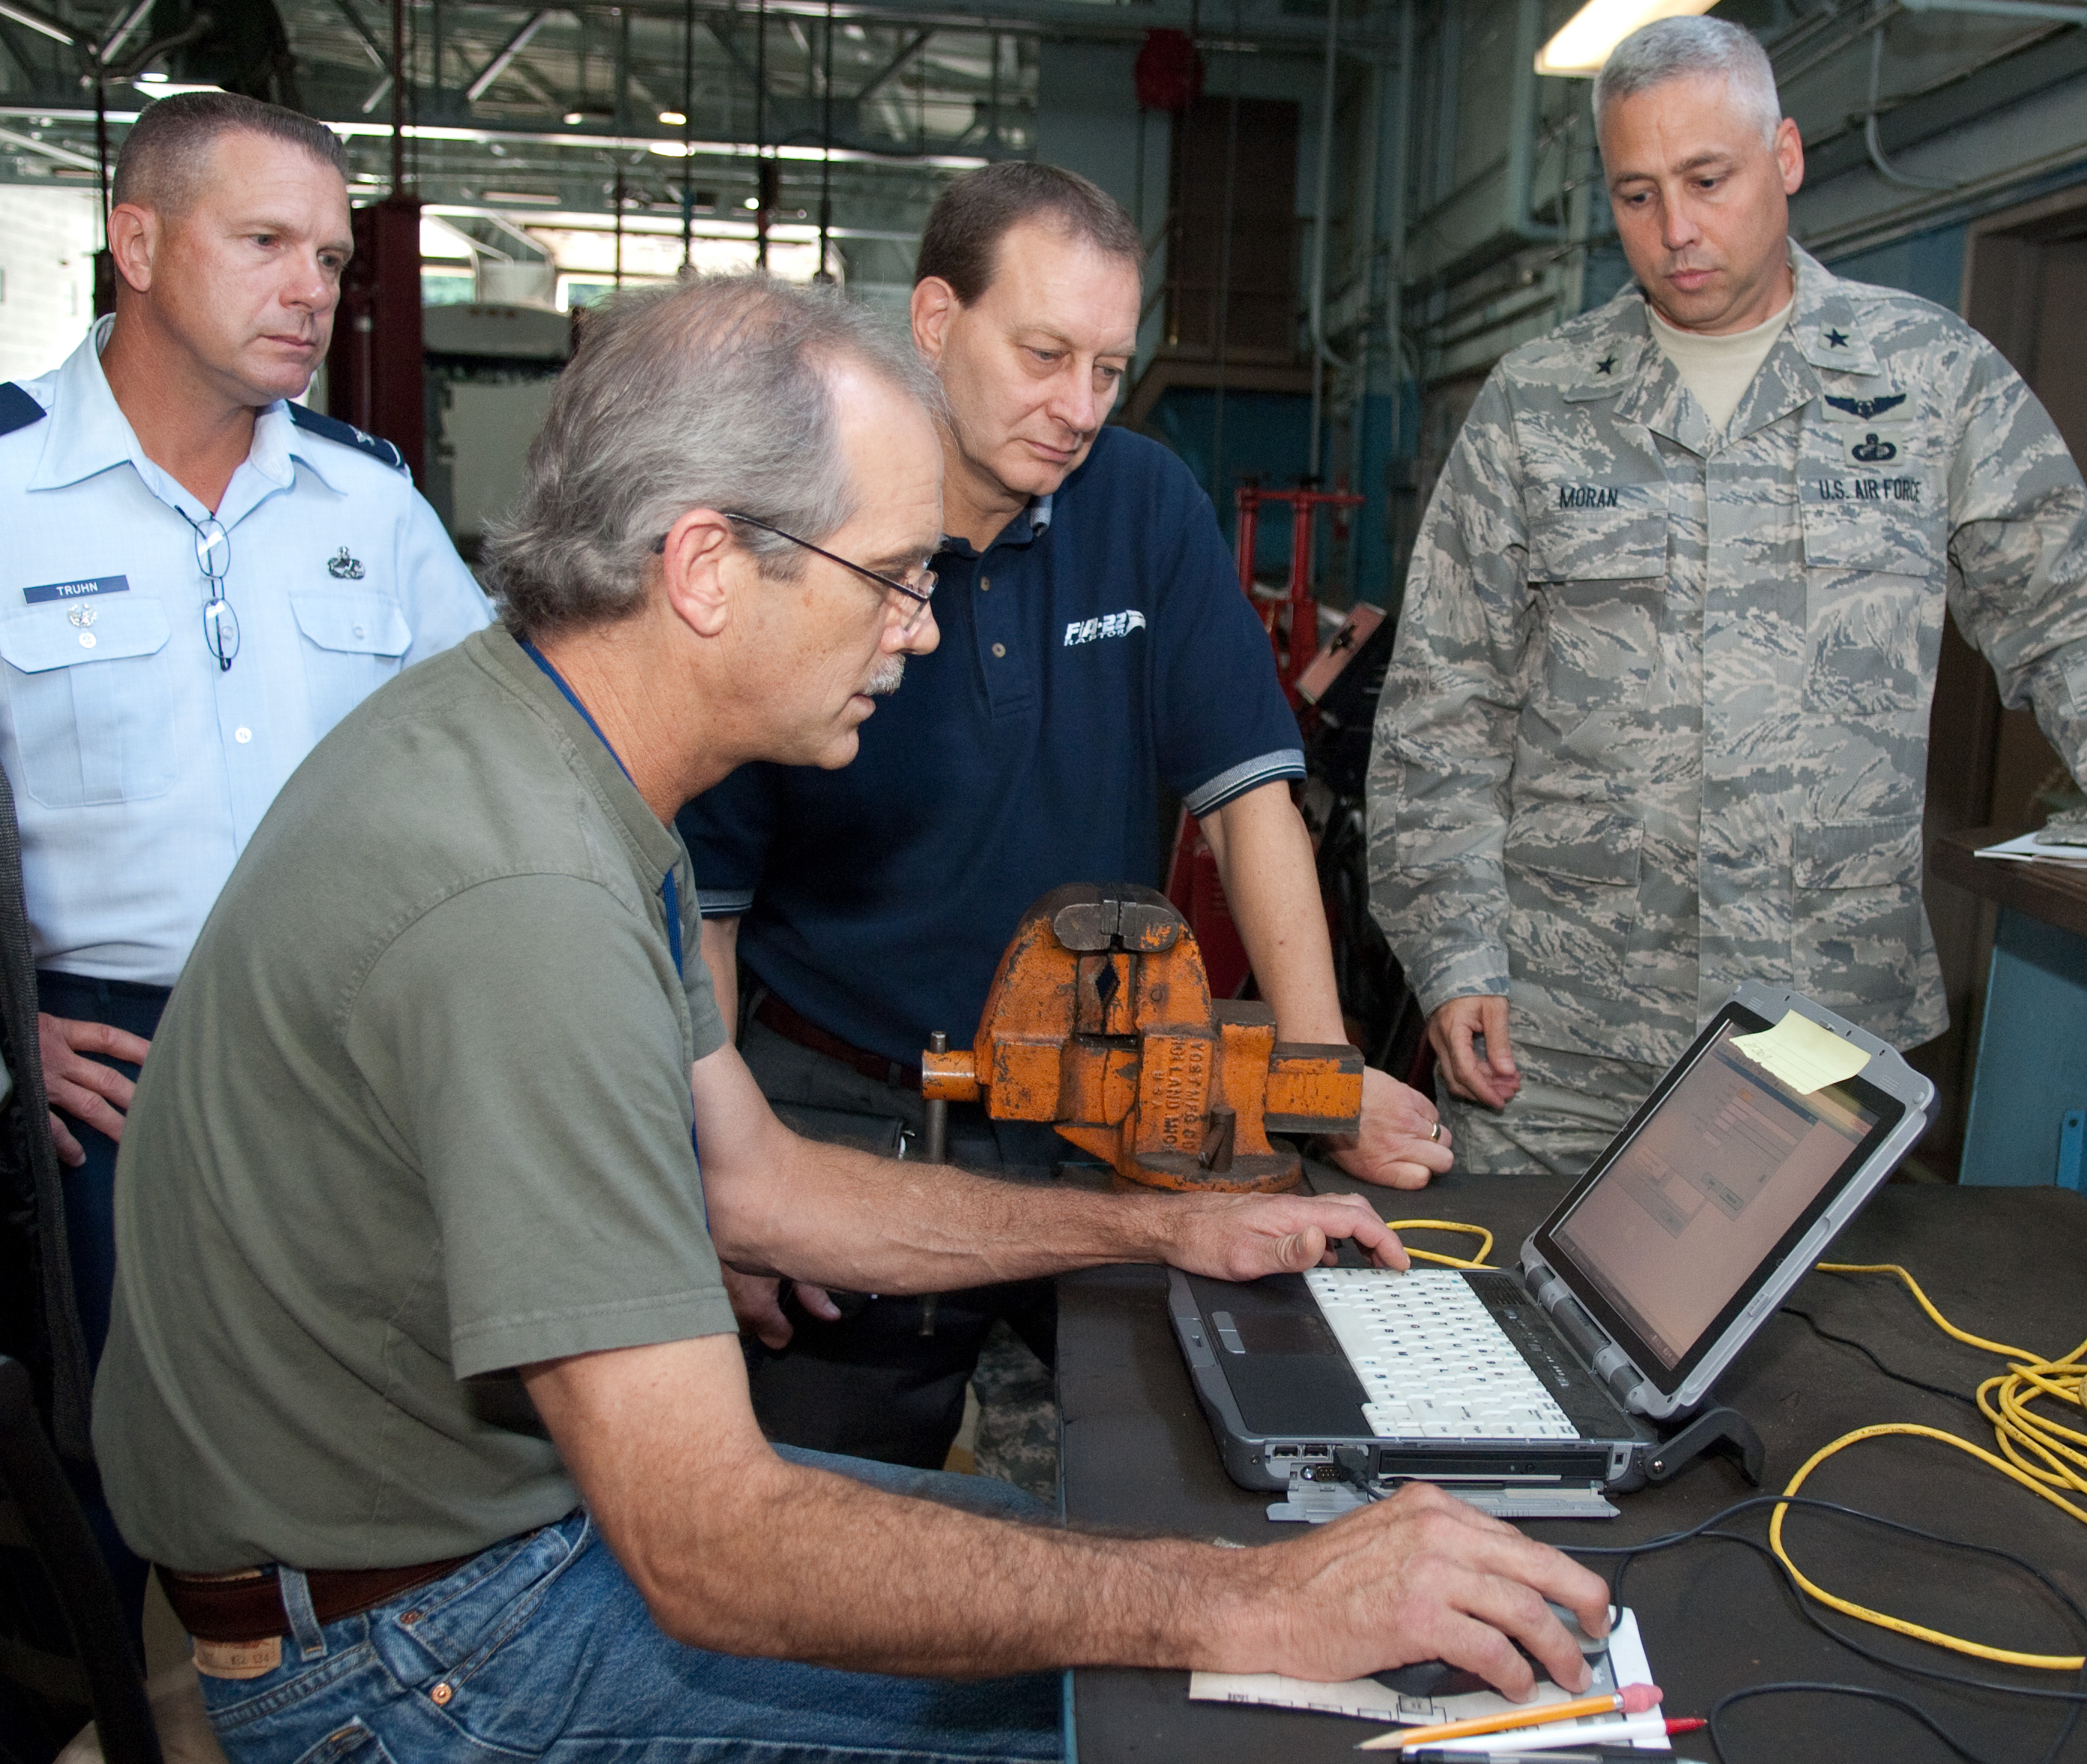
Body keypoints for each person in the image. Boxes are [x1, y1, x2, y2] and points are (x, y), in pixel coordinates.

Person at [93, 274, 1609, 1764]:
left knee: (1049, 1548)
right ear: (704, 568)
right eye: (893, 575)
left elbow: (755, 1185)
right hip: (415, 1649)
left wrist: (1156, 1232)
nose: (927, 632)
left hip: (458, 1541)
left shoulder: (540, 751)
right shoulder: (525, 893)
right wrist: (1254, 1603)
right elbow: (709, 1546)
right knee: (1167, 1701)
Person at [1367, 17, 2087, 1175]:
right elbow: (1440, 708)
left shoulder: (1929, 381)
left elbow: (2056, 610)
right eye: (1636, 196)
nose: (1676, 232)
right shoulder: (1535, 405)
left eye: (1708, 180)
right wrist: (1453, 950)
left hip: (1815, 1025)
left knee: (1811, 1347)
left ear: (1787, 157)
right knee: (1518, 1327)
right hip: (1562, 1036)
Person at [679, 163, 1450, 1467]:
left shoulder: (1142, 505)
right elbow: (703, 916)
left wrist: (1317, 1078)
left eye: (1107, 365)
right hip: (837, 1123)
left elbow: (1251, 800)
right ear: (935, 320)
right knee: (830, 1559)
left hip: (1101, 1119)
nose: (1079, 407)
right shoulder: (809, 527)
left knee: (1174, 1488)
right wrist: (705, 1184)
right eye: (1044, 353)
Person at [0, 90, 488, 1598]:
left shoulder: (369, 499)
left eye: (333, 259)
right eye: (267, 241)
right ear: (136, 244)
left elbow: (478, 768)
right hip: (105, 1071)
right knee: (102, 1471)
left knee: (350, 1448)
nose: (312, 292)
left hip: (343, 1060)